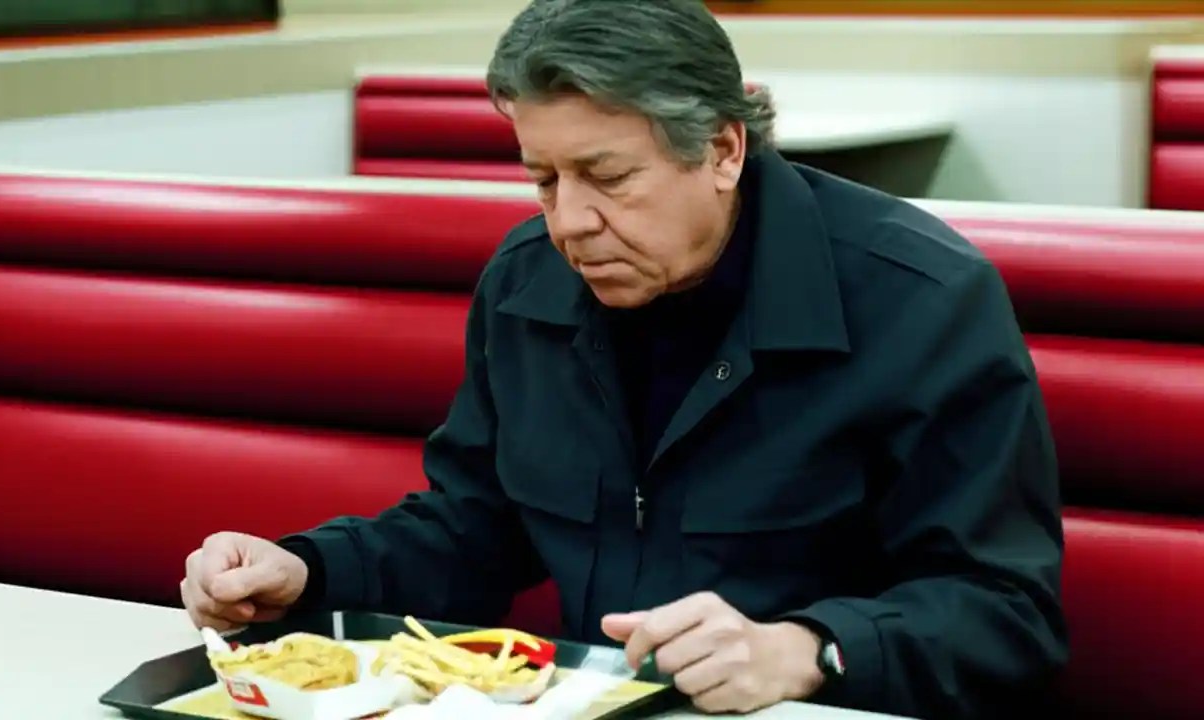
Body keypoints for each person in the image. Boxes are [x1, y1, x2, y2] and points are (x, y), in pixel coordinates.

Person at [181, 1, 1068, 717]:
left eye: (608, 178)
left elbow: (1004, 614)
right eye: (543, 179)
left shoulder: (917, 297)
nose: (568, 221)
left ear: (722, 150)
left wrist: (805, 651)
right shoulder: (526, 281)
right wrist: (310, 571)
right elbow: (480, 526)